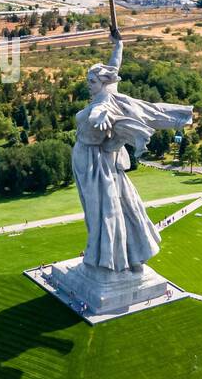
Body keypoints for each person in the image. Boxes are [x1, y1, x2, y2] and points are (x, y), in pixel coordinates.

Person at [72, 34, 192, 274]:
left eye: (92, 81)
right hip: (97, 160)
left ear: (102, 84)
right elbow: (114, 66)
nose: (89, 83)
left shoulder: (104, 105)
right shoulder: (109, 93)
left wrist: (101, 117)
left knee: (104, 212)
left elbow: (99, 115)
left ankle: (110, 260)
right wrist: (119, 44)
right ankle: (131, 256)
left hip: (94, 163)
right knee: (120, 204)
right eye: (89, 79)